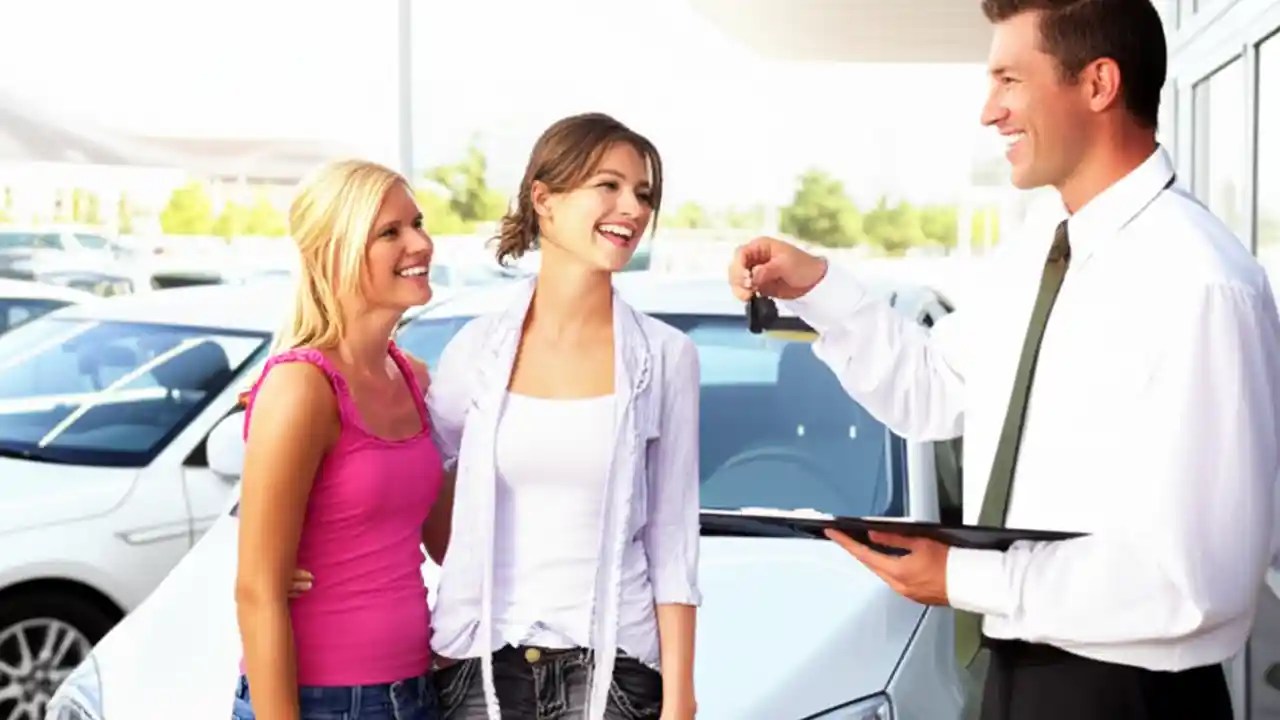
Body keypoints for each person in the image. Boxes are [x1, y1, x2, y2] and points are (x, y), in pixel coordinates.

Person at [727, 1, 1280, 719]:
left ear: (1099, 83)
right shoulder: (1038, 253)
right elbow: (933, 392)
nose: (990, 112)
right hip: (1016, 676)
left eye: (1010, 80)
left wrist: (964, 579)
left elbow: (1200, 582)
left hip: (1128, 697)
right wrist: (818, 289)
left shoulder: (1201, 284)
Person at [425, 112, 702, 720]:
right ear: (544, 199)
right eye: (609, 185)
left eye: (644, 194)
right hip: (477, 664)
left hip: (615, 670)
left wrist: (681, 698)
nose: (632, 207)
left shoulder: (666, 357)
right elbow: (416, 486)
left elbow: (673, 538)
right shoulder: (475, 351)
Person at [233, 158, 451, 720]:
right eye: (390, 232)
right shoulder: (302, 387)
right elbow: (257, 592)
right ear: (333, 253)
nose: (421, 242)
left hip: (416, 690)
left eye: (418, 223)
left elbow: (445, 543)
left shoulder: (415, 378)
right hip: (321, 701)